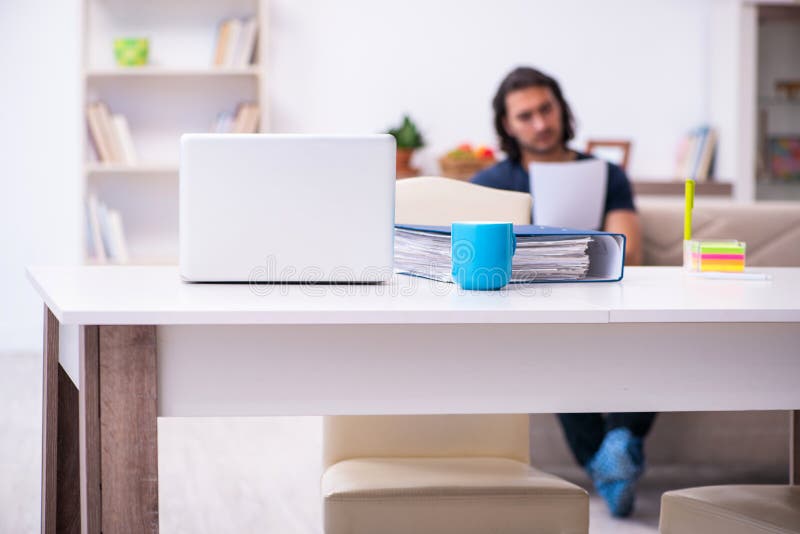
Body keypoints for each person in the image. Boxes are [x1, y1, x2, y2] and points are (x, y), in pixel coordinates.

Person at [471, 66, 656, 517]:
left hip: (604, 305)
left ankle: (612, 452)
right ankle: (613, 456)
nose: (539, 123)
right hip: (537, 315)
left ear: (562, 110)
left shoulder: (606, 174)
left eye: (546, 109)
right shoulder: (489, 185)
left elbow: (628, 251)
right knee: (552, 343)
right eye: (525, 115)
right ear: (508, 126)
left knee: (659, 333)